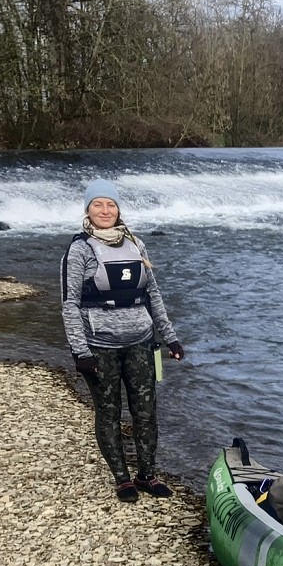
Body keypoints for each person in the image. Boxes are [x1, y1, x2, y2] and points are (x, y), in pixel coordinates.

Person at [60, 178, 184, 502]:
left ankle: (147, 475)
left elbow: (152, 293)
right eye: (98, 204)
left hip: (141, 343)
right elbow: (70, 304)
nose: (105, 210)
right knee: (109, 412)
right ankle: (122, 479)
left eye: (111, 204)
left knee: (146, 412)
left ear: (118, 210)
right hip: (100, 348)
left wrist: (170, 338)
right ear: (88, 210)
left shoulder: (136, 244)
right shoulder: (80, 249)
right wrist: (80, 351)